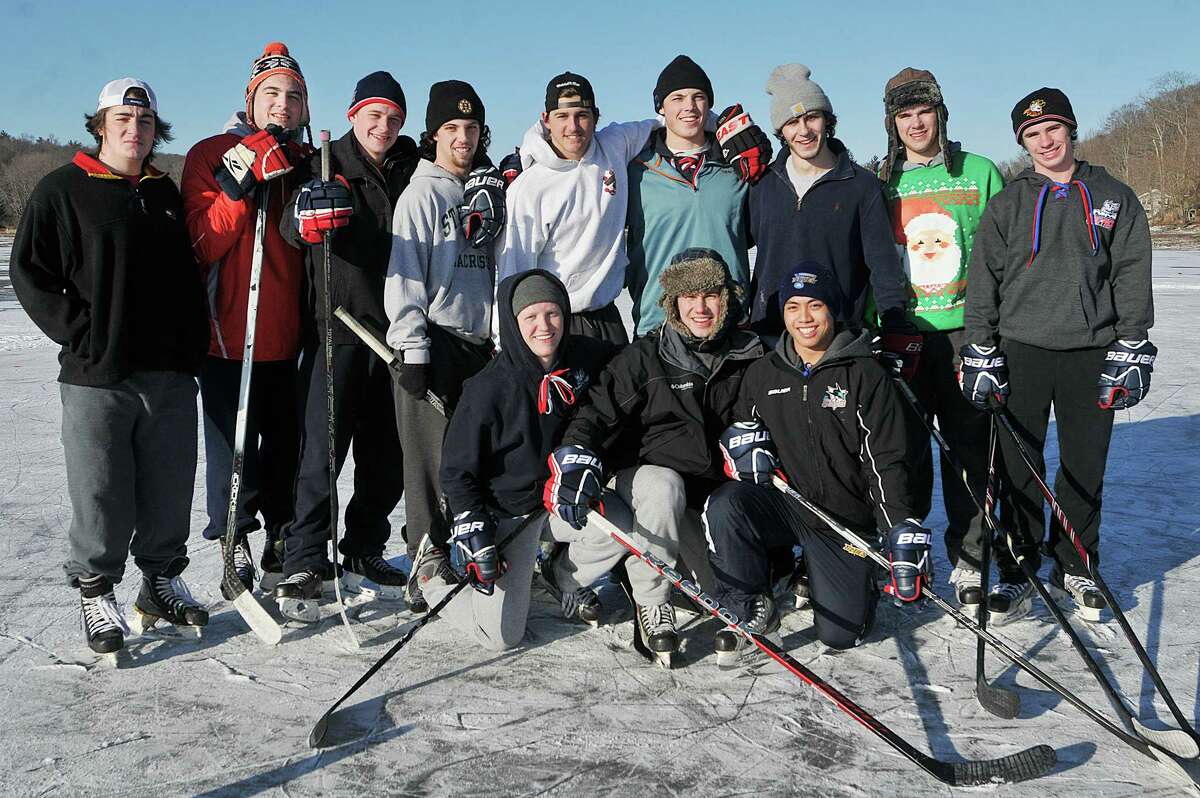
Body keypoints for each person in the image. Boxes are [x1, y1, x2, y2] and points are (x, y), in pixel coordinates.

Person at [11, 78, 211, 656]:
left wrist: (190, 345)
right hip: (98, 375)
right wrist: (82, 333)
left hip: (169, 373)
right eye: (122, 119)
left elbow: (188, 276)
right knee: (101, 491)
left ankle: (160, 581)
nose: (134, 130)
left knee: (170, 487)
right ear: (100, 126)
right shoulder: (62, 188)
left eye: (145, 121)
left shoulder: (164, 192)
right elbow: (31, 272)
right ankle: (97, 590)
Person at [963, 88, 1155, 624]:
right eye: (1032, 134)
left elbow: (1131, 272)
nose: (1045, 141)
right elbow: (985, 278)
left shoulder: (1113, 196)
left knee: (1083, 465)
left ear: (1070, 129)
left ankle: (1076, 564)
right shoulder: (1008, 203)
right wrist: (979, 345)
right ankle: (1018, 567)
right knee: (1018, 467)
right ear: (1022, 143)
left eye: (1052, 129)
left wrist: (1133, 341)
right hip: (1020, 348)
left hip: (1091, 351)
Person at [703, 265, 925, 666]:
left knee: (840, 634)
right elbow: (739, 433)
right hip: (789, 504)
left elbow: (886, 460)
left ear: (832, 309)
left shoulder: (865, 374)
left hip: (843, 520)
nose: (803, 318)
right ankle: (750, 606)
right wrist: (739, 449)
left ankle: (846, 576)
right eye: (793, 307)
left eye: (815, 305)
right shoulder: (763, 373)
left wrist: (897, 526)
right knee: (726, 505)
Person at [549, 249, 765, 661]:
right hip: (649, 487)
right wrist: (576, 455)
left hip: (707, 498)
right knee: (664, 485)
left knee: (713, 595)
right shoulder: (646, 357)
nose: (700, 308)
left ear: (726, 299)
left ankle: (662, 567)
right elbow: (594, 414)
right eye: (689, 297)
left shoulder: (748, 354)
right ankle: (650, 600)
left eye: (710, 295)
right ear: (673, 303)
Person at [273, 72, 419, 613]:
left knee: (386, 456)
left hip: (397, 333)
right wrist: (308, 216)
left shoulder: (411, 167)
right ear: (354, 115)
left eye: (394, 118)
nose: (384, 126)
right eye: (374, 115)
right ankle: (305, 558)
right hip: (338, 331)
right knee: (323, 455)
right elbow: (290, 227)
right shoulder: (324, 165)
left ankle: (363, 547)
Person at [181, 41, 312, 596]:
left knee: (287, 450)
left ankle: (283, 538)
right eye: (272, 93)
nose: (283, 104)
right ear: (251, 99)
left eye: (295, 95)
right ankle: (233, 536)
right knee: (232, 453)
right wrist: (238, 188)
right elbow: (200, 243)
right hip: (227, 336)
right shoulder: (210, 153)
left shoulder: (308, 160)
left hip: (289, 337)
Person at [431, 270, 617, 651]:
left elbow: (631, 365)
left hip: (559, 503)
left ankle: (559, 572)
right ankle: (432, 582)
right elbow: (456, 471)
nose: (544, 327)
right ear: (513, 323)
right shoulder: (487, 388)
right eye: (530, 317)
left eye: (552, 314)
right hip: (509, 514)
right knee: (502, 636)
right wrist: (473, 525)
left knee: (621, 523)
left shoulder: (584, 358)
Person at [877, 68, 1006, 611]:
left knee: (967, 451)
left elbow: (1004, 255)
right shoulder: (881, 182)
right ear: (892, 123)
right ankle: (910, 551)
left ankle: (971, 557)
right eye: (904, 115)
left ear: (940, 114)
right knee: (904, 454)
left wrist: (991, 331)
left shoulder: (980, 172)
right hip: (903, 336)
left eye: (923, 112)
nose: (916, 124)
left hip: (963, 334)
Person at [384, 80, 501, 613]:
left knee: (472, 457)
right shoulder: (422, 195)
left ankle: (469, 545)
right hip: (433, 339)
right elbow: (405, 274)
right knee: (429, 462)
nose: (462, 138)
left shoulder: (484, 192)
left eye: (471, 128)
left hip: (479, 342)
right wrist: (412, 347)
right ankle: (426, 555)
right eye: (451, 128)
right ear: (433, 135)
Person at [747, 64, 910, 349]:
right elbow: (730, 243)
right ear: (781, 130)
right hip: (771, 337)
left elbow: (883, 264)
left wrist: (894, 323)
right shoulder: (762, 185)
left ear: (827, 120)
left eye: (812, 117)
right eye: (792, 122)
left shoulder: (861, 185)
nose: (804, 130)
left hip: (838, 337)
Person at [497, 71, 660, 346]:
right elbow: (514, 274)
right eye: (562, 116)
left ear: (596, 117)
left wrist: (724, 127)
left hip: (607, 317)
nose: (573, 126)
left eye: (582, 115)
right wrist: (507, 343)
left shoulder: (614, 144)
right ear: (546, 120)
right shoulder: (528, 188)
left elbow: (669, 120)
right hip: (555, 324)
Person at [625, 55, 769, 337]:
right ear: (661, 107)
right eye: (677, 98)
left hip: (729, 323)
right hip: (659, 323)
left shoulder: (735, 169)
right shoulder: (636, 172)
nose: (689, 106)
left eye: (698, 97)